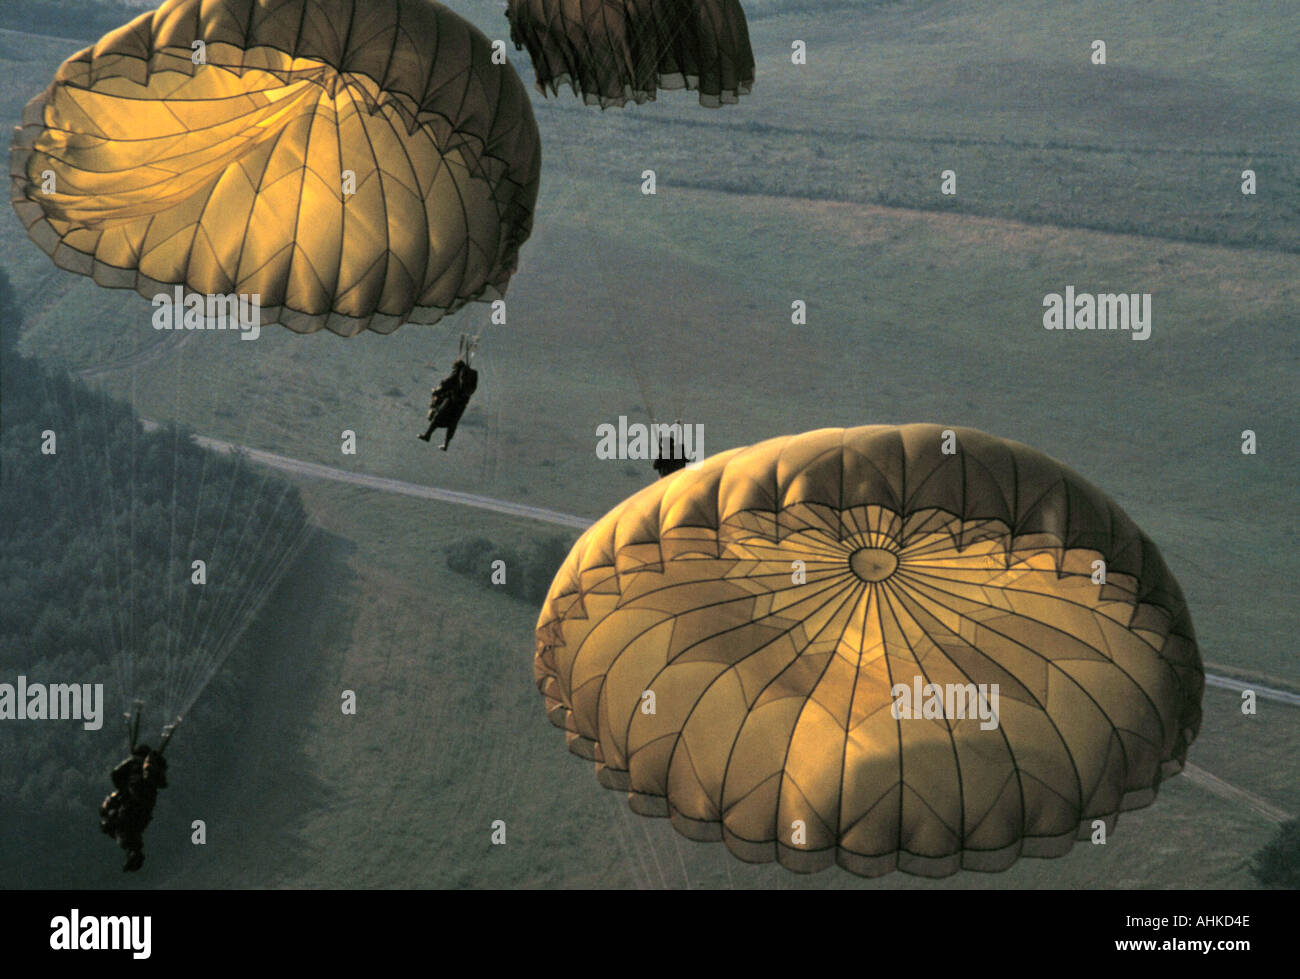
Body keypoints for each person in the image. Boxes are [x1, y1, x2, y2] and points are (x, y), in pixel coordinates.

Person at [99, 705, 174, 872]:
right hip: (140, 803)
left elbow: (116, 776)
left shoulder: (120, 824)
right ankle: (134, 855)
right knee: (128, 832)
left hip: (140, 804)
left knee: (127, 832)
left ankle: (135, 855)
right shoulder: (122, 826)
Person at [419, 357, 478, 450]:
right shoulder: (469, 377)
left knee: (437, 417)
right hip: (462, 405)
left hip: (451, 401)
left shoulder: (456, 375)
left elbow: (445, 385)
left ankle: (427, 435)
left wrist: (436, 392)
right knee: (453, 423)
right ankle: (446, 445)